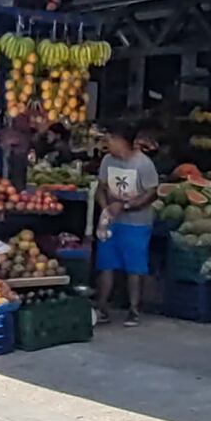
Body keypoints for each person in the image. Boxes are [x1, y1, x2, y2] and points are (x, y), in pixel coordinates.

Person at [93, 123, 160, 327]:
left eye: (110, 139)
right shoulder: (107, 161)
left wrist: (125, 206)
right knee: (105, 264)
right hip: (112, 223)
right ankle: (102, 307)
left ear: (122, 141)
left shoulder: (143, 164)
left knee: (135, 267)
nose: (107, 144)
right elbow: (101, 188)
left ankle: (134, 309)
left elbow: (151, 192)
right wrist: (106, 209)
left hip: (137, 224)